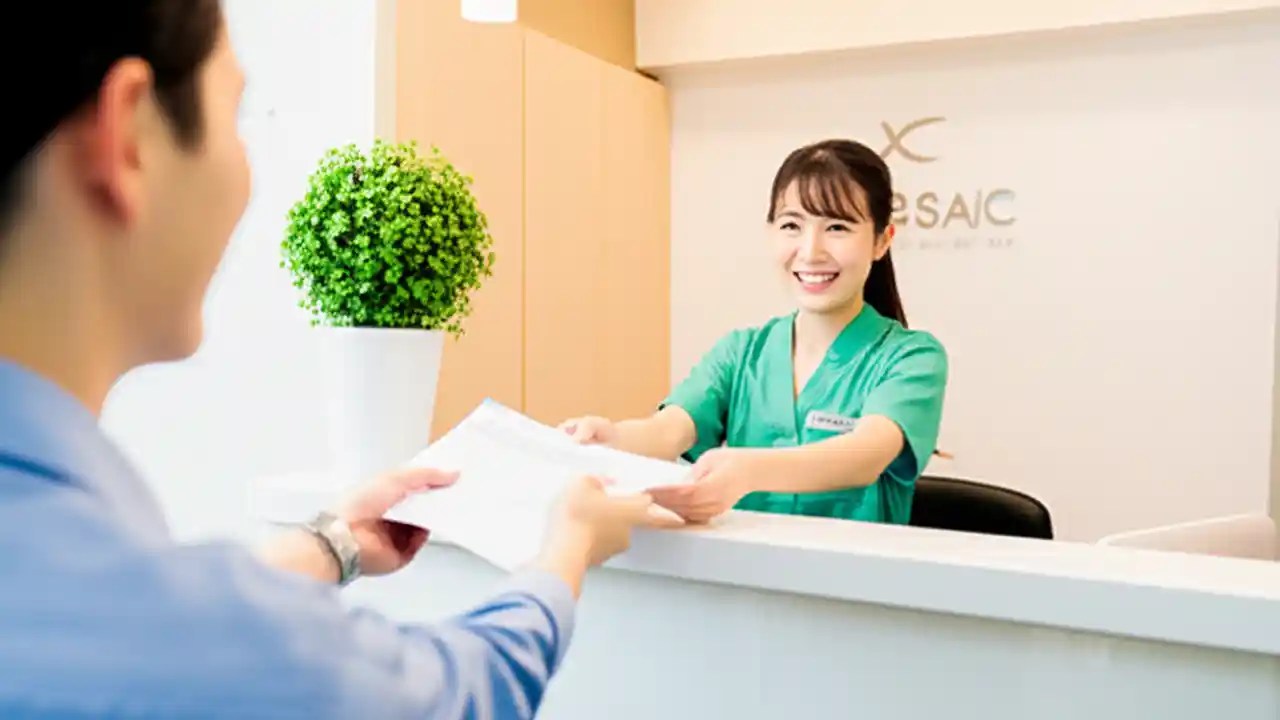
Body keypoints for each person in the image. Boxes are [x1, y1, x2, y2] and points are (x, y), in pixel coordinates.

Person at [0, 3, 672, 718]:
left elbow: (150, 622)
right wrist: (567, 544)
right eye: (237, 116)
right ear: (127, 137)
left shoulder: (81, 592)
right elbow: (461, 689)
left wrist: (333, 542)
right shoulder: (171, 642)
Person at [561, 139, 949, 525]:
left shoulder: (911, 358)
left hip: (854, 583)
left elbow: (866, 454)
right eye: (792, 226)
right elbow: (668, 431)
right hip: (744, 577)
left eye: (837, 227)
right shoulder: (741, 352)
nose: (811, 251)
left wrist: (747, 470)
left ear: (882, 240)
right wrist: (610, 438)